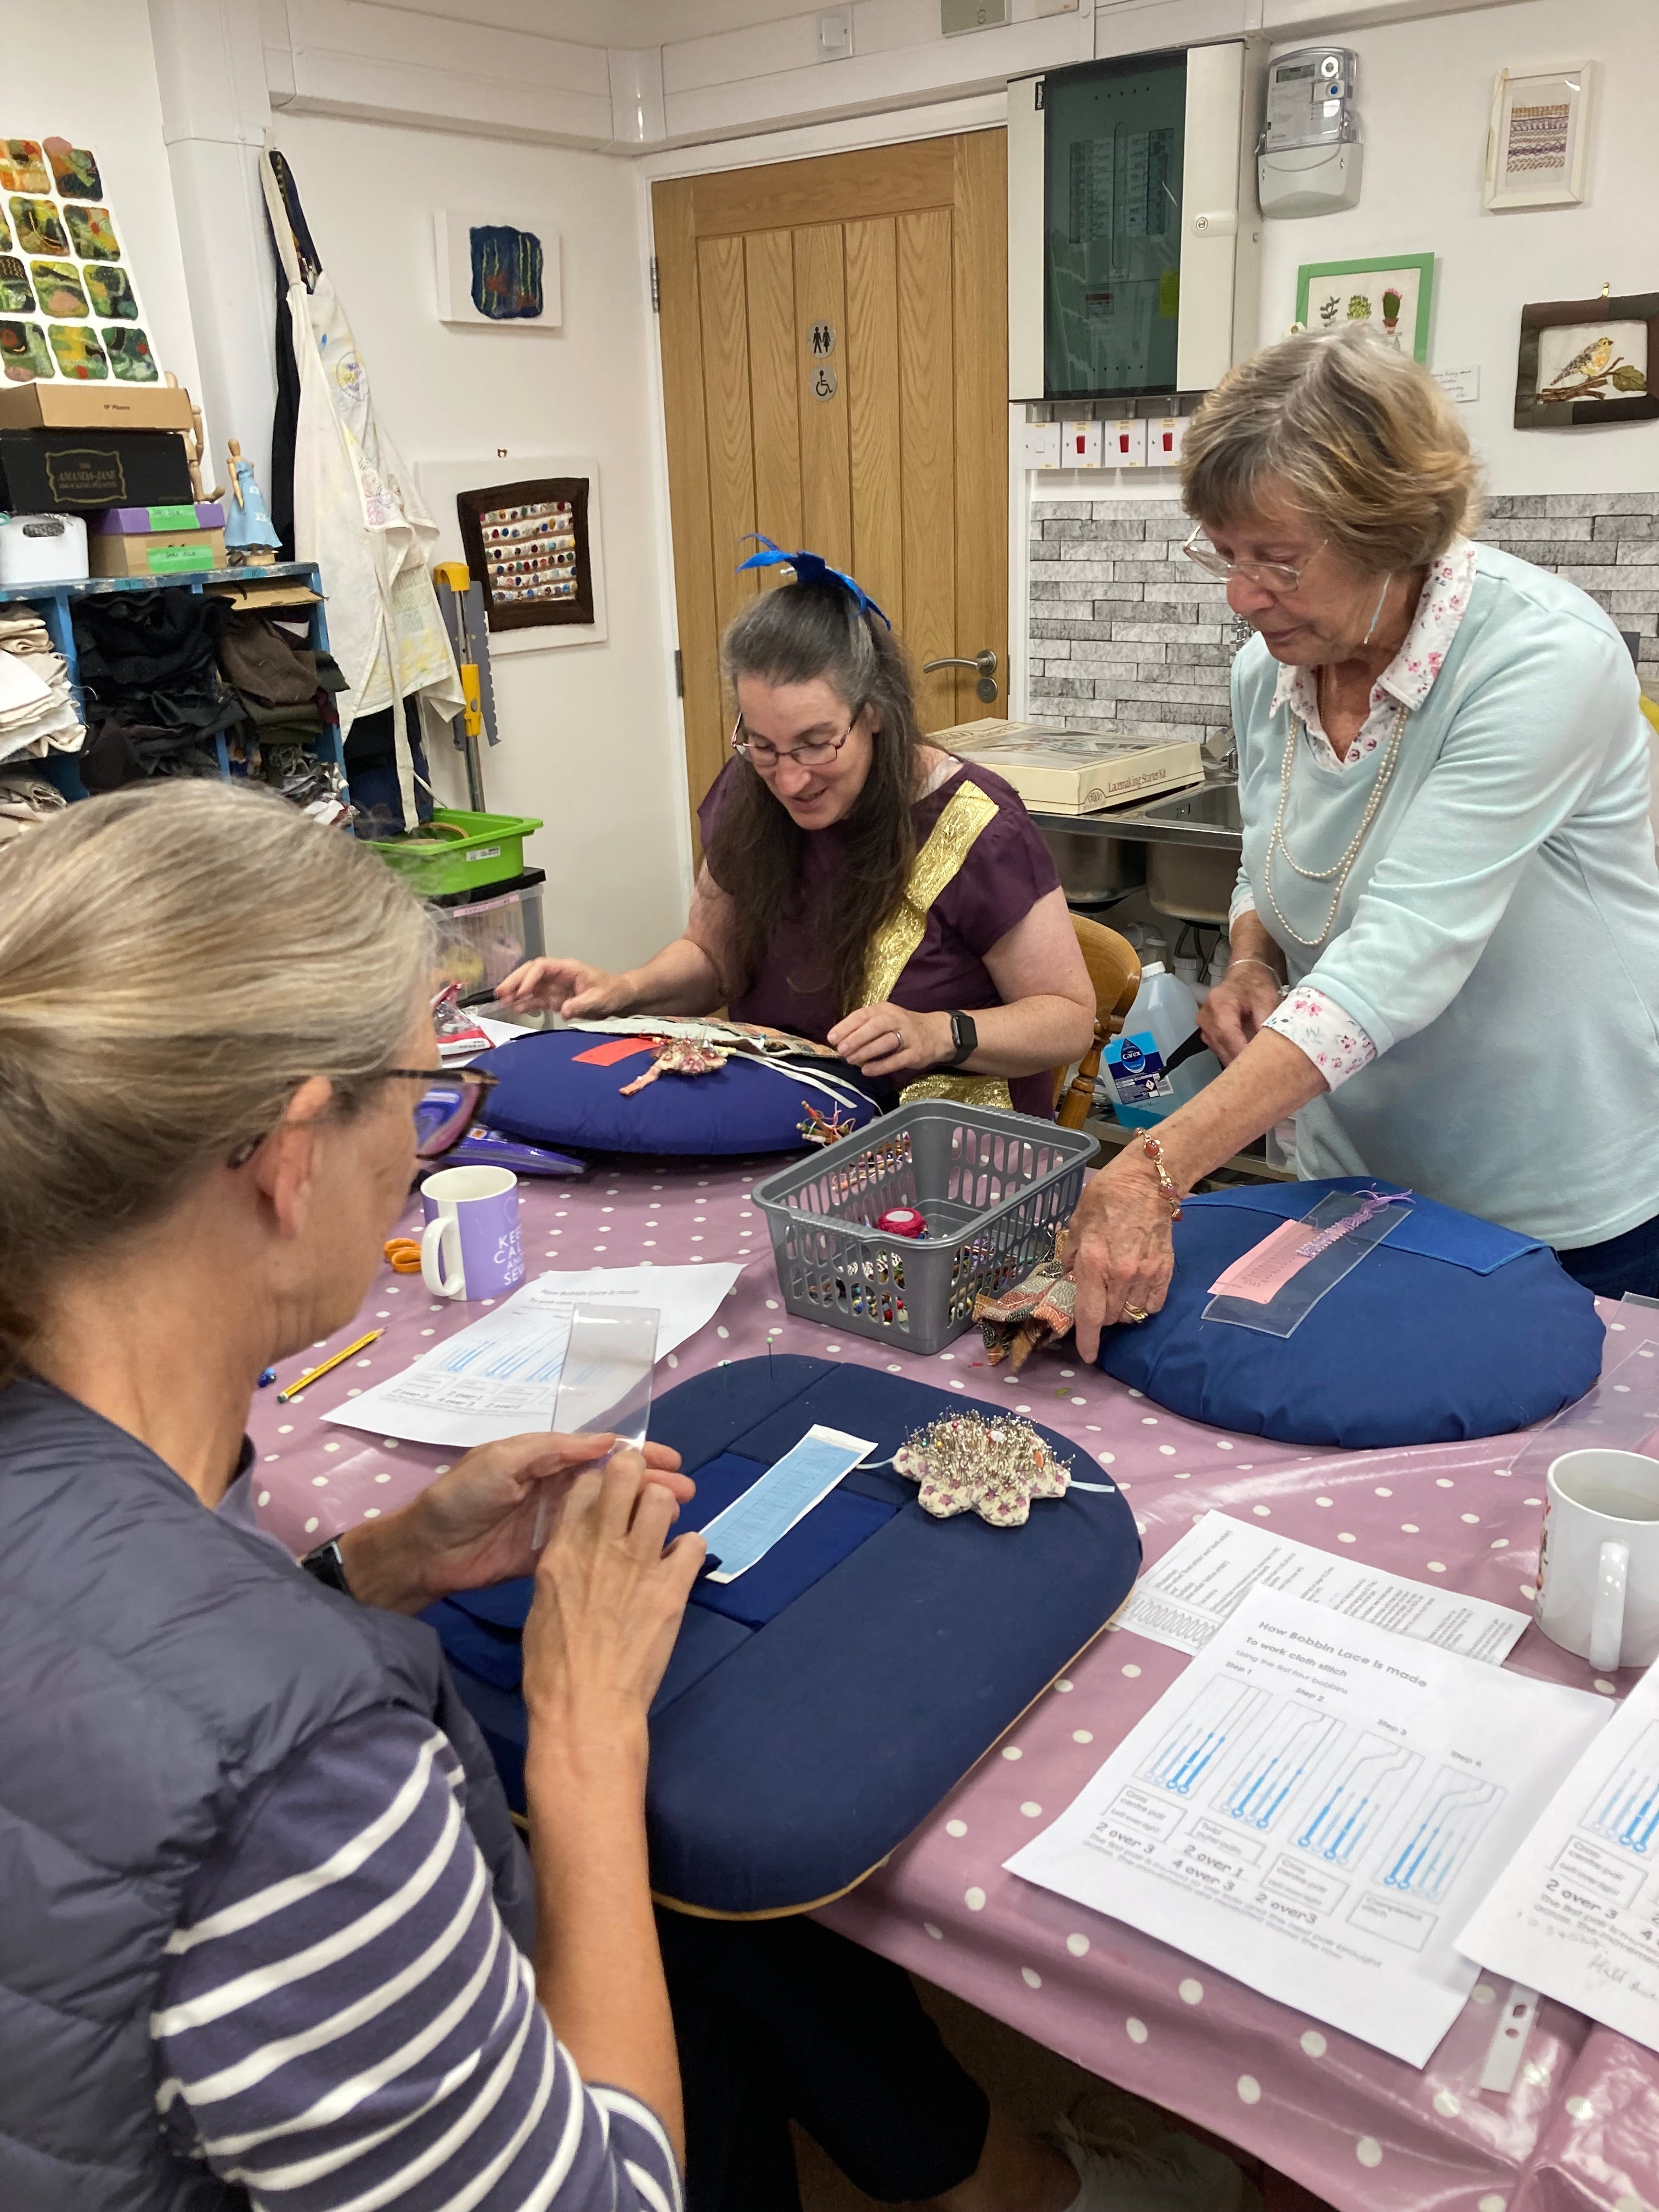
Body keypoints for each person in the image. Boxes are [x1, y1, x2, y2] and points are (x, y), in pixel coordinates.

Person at [0, 782, 1247, 2212]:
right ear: (288, 1161)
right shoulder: (316, 1771)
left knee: (722, 1938)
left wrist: (380, 1567)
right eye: (431, 1097)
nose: (432, 1146)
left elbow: (130, 1695)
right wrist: (588, 1736)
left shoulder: (71, 1452)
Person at [1068, 325, 1659, 1356]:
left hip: (1553, 1185)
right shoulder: (1270, 667)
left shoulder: (1540, 657)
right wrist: (1251, 956)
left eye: (1276, 562)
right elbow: (1269, 847)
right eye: (1224, 552)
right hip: (1356, 1169)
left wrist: (1153, 1165)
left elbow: (1402, 950)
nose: (1239, 596)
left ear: (1392, 533)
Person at [499, 554, 1095, 1119]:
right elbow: (713, 960)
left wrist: (938, 1033)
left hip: (947, 1155)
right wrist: (625, 989)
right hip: (784, 1125)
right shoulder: (749, 792)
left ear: (876, 712)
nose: (789, 778)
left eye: (816, 743)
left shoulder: (977, 825)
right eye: (763, 745)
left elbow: (1068, 1020)